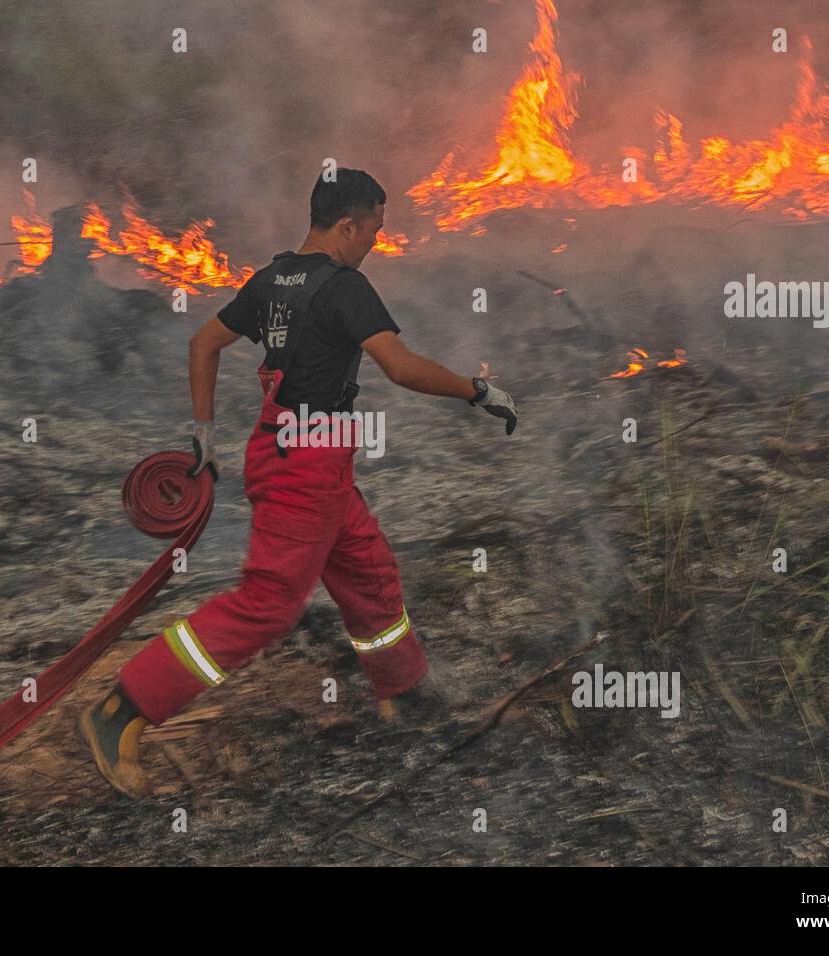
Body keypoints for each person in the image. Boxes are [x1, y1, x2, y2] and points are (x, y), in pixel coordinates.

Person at [80, 169, 518, 798]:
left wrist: (203, 433)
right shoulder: (346, 288)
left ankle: (404, 689)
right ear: (348, 225)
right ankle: (120, 710)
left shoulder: (272, 279)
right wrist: (478, 390)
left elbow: (204, 343)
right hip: (303, 465)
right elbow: (400, 368)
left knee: (368, 572)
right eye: (374, 230)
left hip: (304, 450)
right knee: (267, 606)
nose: (375, 242)